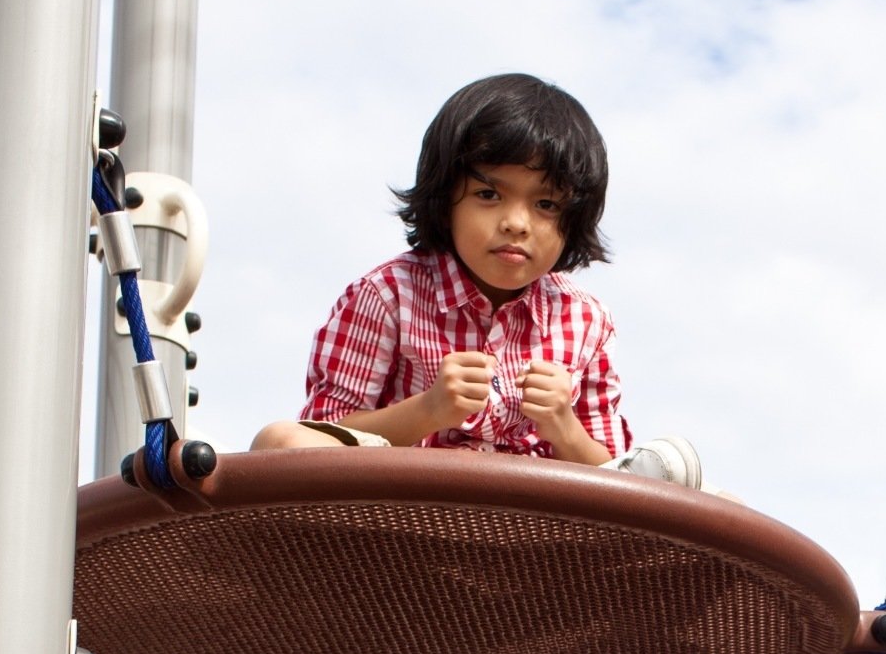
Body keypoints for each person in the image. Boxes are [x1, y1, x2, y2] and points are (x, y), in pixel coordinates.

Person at [253, 72, 626, 466]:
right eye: (488, 194)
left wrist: (563, 427)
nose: (517, 223)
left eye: (546, 205)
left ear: (576, 218)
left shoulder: (586, 320)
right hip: (402, 510)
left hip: (525, 519)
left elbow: (619, 471)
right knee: (279, 441)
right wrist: (429, 410)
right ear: (445, 199)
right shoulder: (388, 294)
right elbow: (321, 435)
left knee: (667, 474)